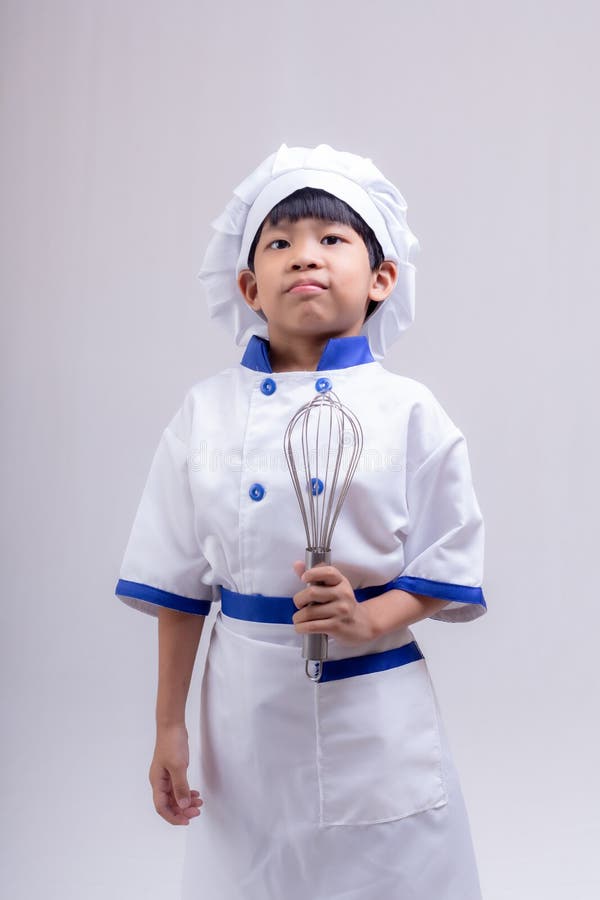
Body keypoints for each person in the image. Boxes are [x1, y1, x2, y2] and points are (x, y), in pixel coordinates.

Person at [115, 143, 487, 900]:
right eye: (279, 243)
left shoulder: (410, 412)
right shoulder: (206, 413)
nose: (303, 257)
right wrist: (168, 725)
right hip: (242, 712)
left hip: (370, 706)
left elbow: (447, 564)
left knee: (391, 874)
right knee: (251, 877)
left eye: (331, 239)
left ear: (382, 279)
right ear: (250, 285)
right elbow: (181, 589)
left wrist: (367, 615)